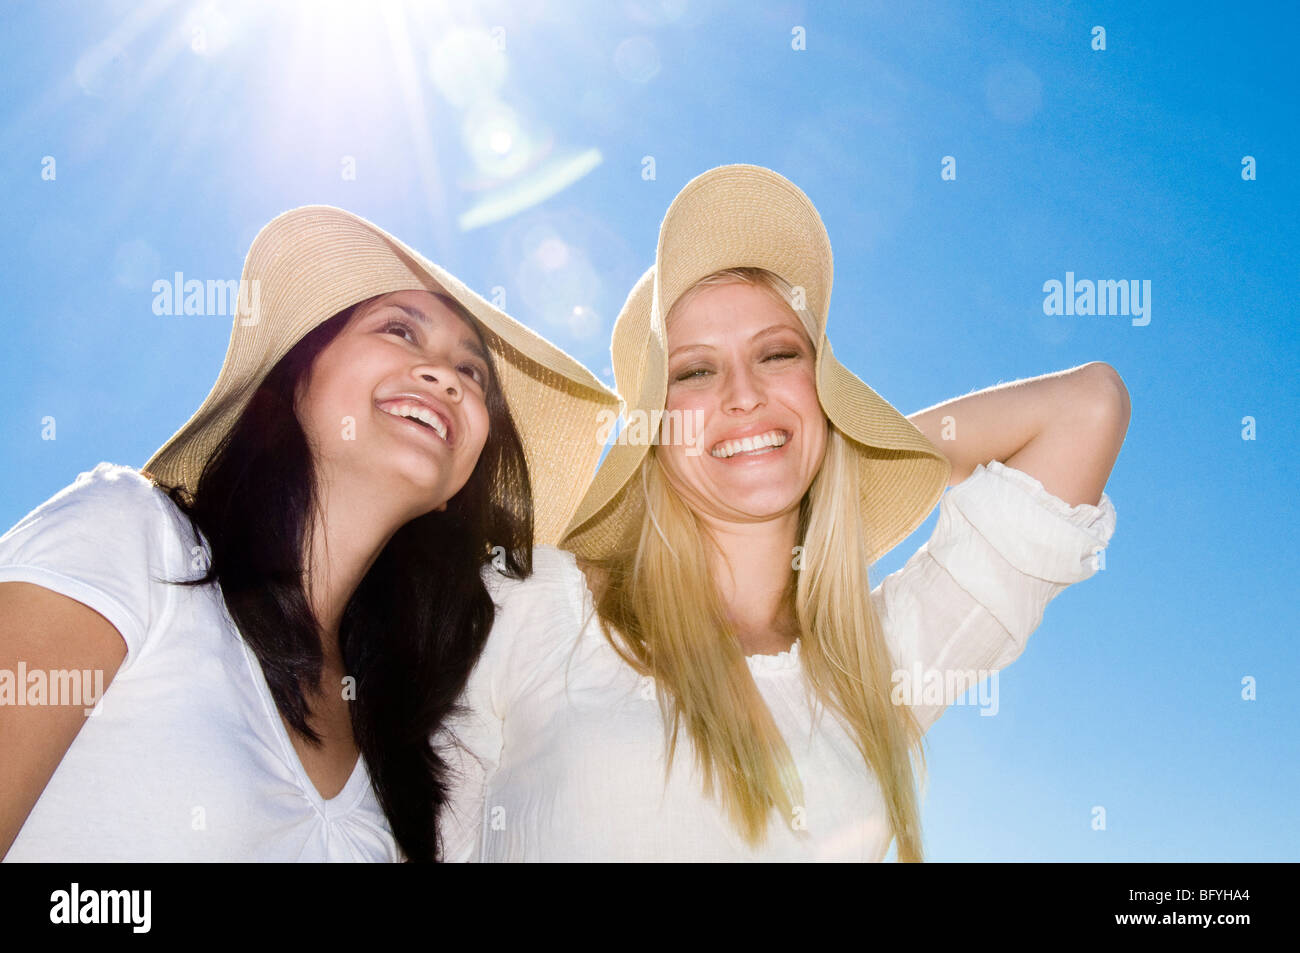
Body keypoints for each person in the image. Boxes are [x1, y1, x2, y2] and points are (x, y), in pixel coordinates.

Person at [438, 165, 1127, 861]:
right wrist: (782, 443)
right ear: (652, 428)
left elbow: (1086, 407)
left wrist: (833, 448)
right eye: (695, 371)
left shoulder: (877, 664)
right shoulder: (533, 602)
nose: (743, 392)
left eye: (777, 355)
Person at [0, 206, 619, 862]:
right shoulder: (131, 535)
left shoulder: (412, 752)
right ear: (295, 378)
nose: (444, 375)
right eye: (400, 330)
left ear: (457, 487)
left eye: (472, 374)